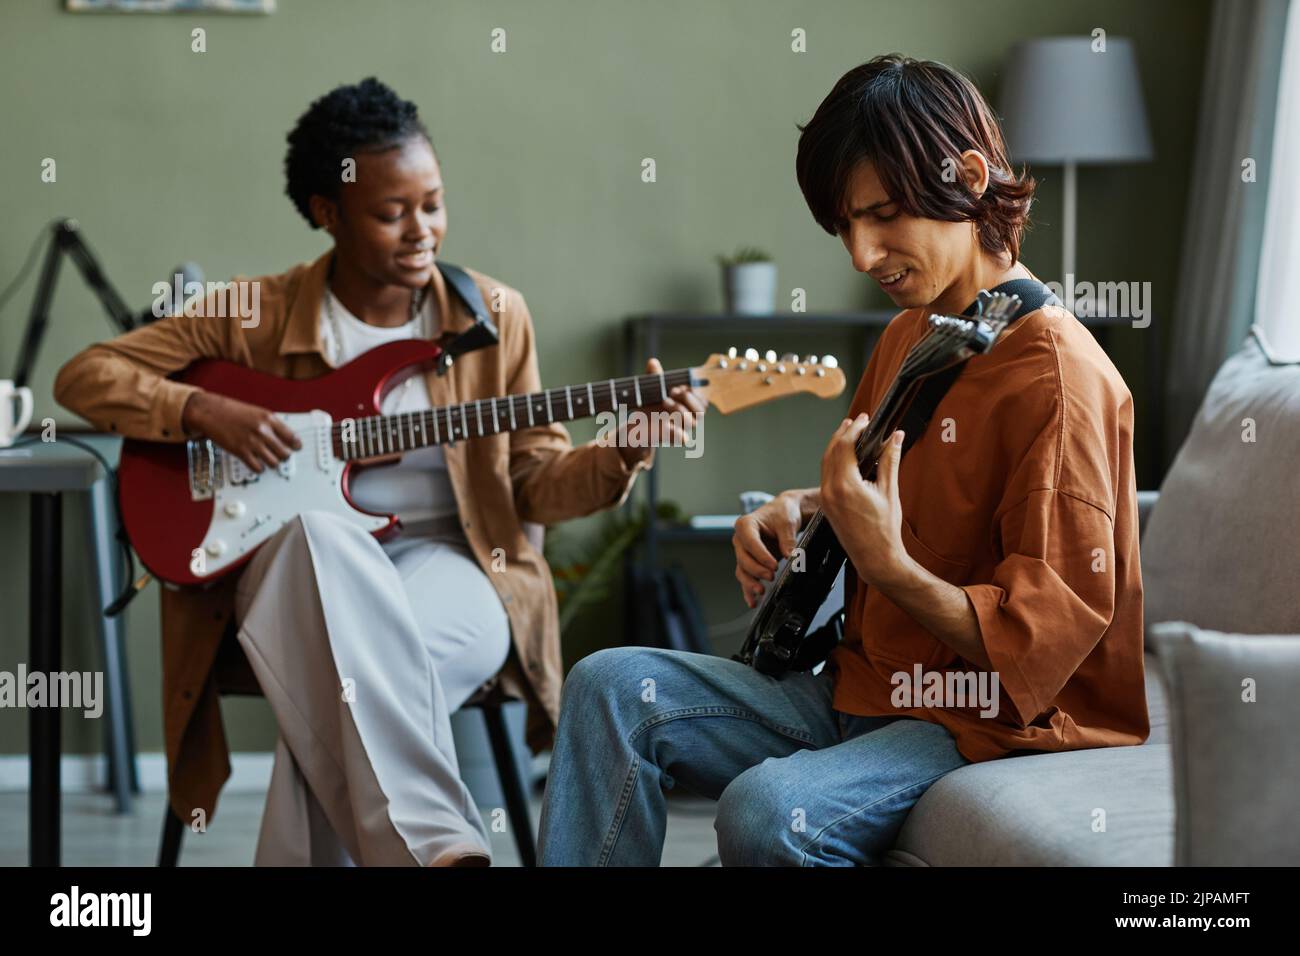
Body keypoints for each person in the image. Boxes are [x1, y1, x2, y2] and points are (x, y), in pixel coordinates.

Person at [54, 77, 704, 866]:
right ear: (328, 213)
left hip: (460, 568)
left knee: (339, 690)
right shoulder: (255, 312)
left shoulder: (492, 317)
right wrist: (203, 412)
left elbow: (533, 481)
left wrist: (624, 449)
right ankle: (437, 846)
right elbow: (85, 375)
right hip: (294, 571)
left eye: (432, 203)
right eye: (392, 212)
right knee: (324, 549)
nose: (422, 231)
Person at [537, 54, 1148, 867]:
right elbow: (892, 489)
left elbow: (1042, 645)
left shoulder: (1062, 380)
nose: (861, 254)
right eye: (844, 226)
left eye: (884, 215)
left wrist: (887, 566)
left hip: (991, 721)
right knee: (608, 688)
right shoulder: (914, 332)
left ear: (967, 178)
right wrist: (800, 510)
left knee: (769, 812)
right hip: (865, 684)